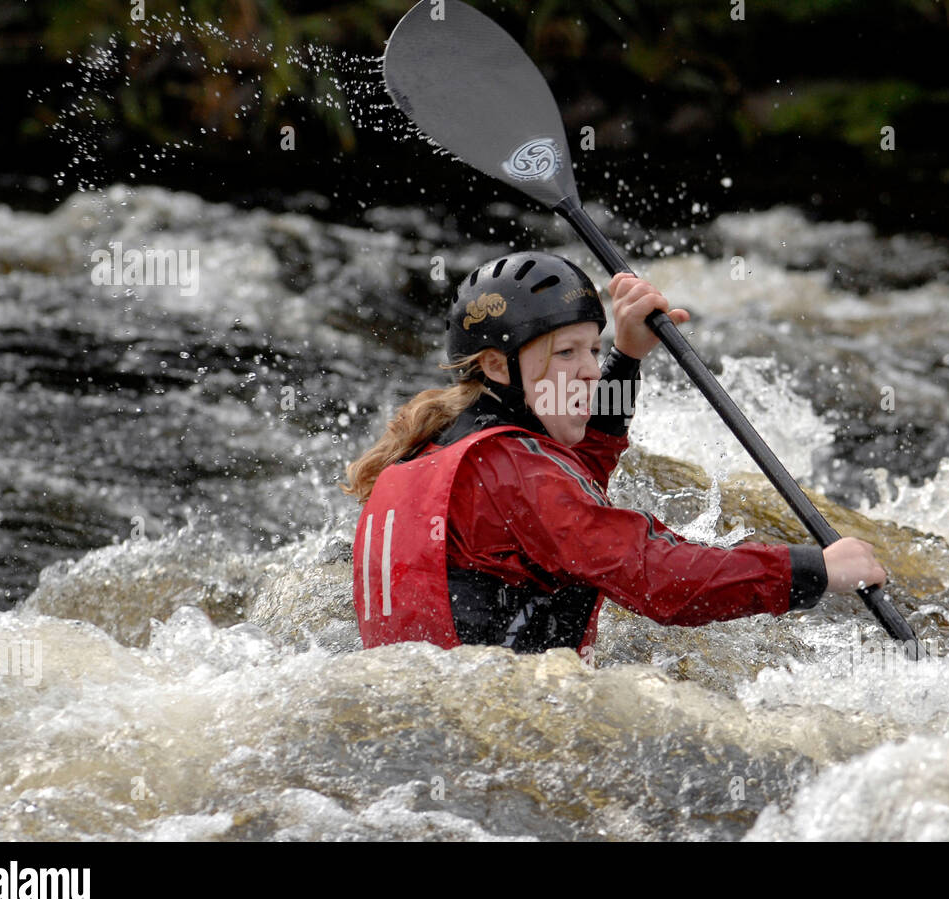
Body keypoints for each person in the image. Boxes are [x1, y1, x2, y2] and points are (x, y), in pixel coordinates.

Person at [342, 251, 886, 662]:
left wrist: (626, 355)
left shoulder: (446, 445)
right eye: (566, 352)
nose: (586, 370)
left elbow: (576, 474)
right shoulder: (517, 471)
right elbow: (656, 577)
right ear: (497, 366)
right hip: (507, 729)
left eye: (593, 349)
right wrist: (812, 571)